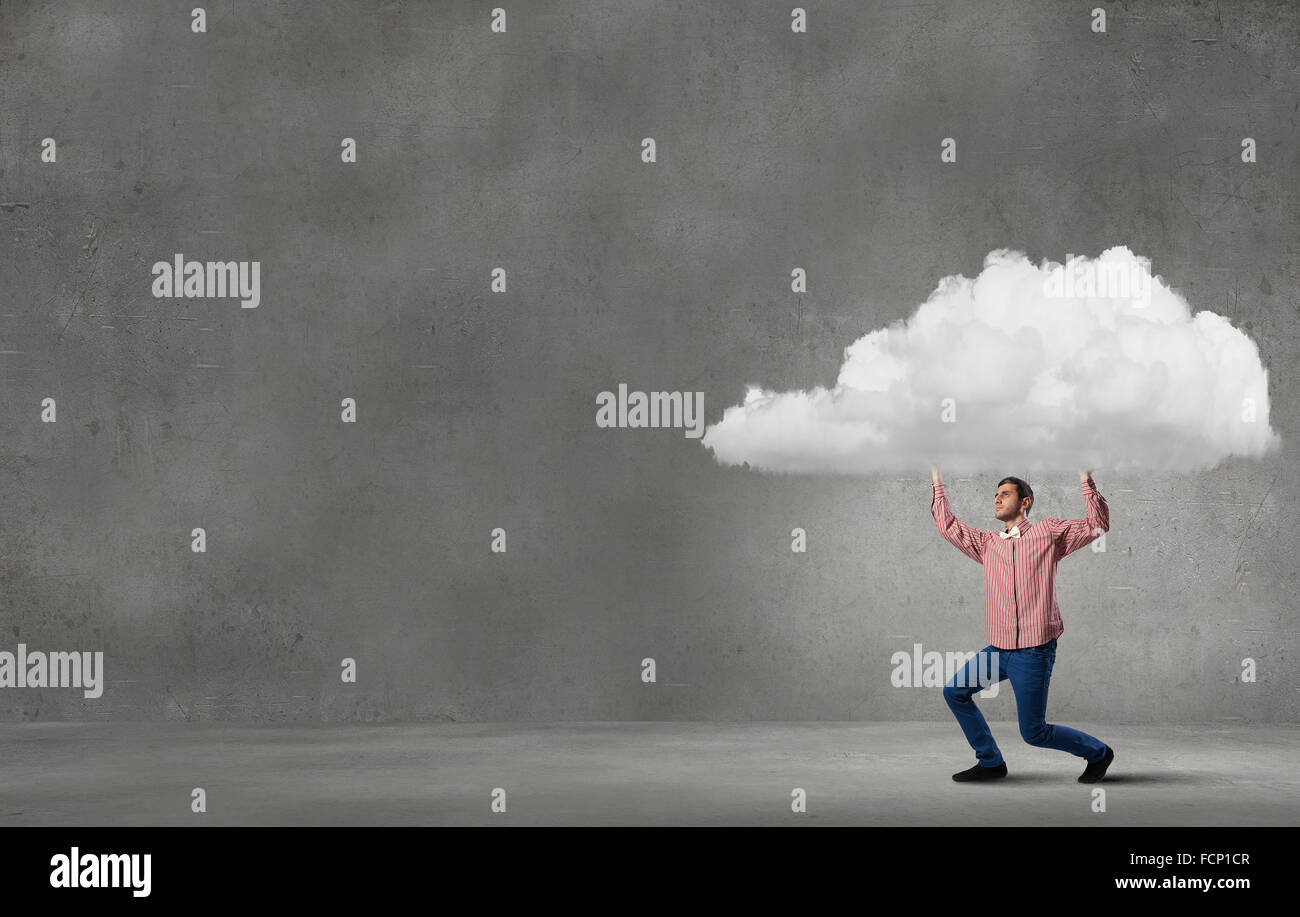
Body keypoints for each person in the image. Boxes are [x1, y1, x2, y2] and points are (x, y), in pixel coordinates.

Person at [929, 465, 1115, 783]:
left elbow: (1097, 525)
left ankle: (1098, 753)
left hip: (1033, 651)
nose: (997, 499)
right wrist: (937, 481)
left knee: (1034, 733)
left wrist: (1085, 478)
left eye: (1005, 494)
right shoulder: (988, 543)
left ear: (1025, 501)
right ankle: (990, 762)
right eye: (996, 495)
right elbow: (949, 527)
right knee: (954, 691)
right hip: (999, 649)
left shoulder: (1049, 533)